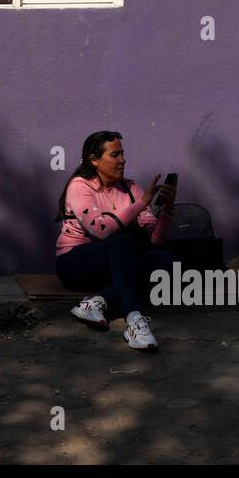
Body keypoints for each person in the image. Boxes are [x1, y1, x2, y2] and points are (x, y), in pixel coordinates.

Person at [55, 131, 176, 351]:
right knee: (120, 242)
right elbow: (101, 231)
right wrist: (142, 204)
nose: (123, 160)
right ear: (94, 160)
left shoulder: (130, 188)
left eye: (123, 154)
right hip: (76, 263)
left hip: (113, 268)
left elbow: (155, 240)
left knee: (163, 259)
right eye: (115, 155)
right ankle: (134, 320)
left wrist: (167, 210)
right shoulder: (80, 186)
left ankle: (98, 301)